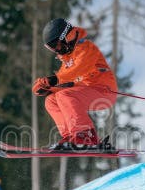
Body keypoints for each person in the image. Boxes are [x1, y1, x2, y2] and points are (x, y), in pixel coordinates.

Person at [32, 18, 117, 150]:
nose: (57, 50)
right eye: (52, 48)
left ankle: (85, 136)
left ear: (67, 36)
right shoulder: (67, 59)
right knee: (51, 100)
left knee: (64, 96)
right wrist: (48, 88)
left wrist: (53, 80)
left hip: (103, 91)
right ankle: (70, 136)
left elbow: (77, 70)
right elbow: (65, 83)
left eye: (57, 45)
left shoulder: (86, 48)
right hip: (84, 92)